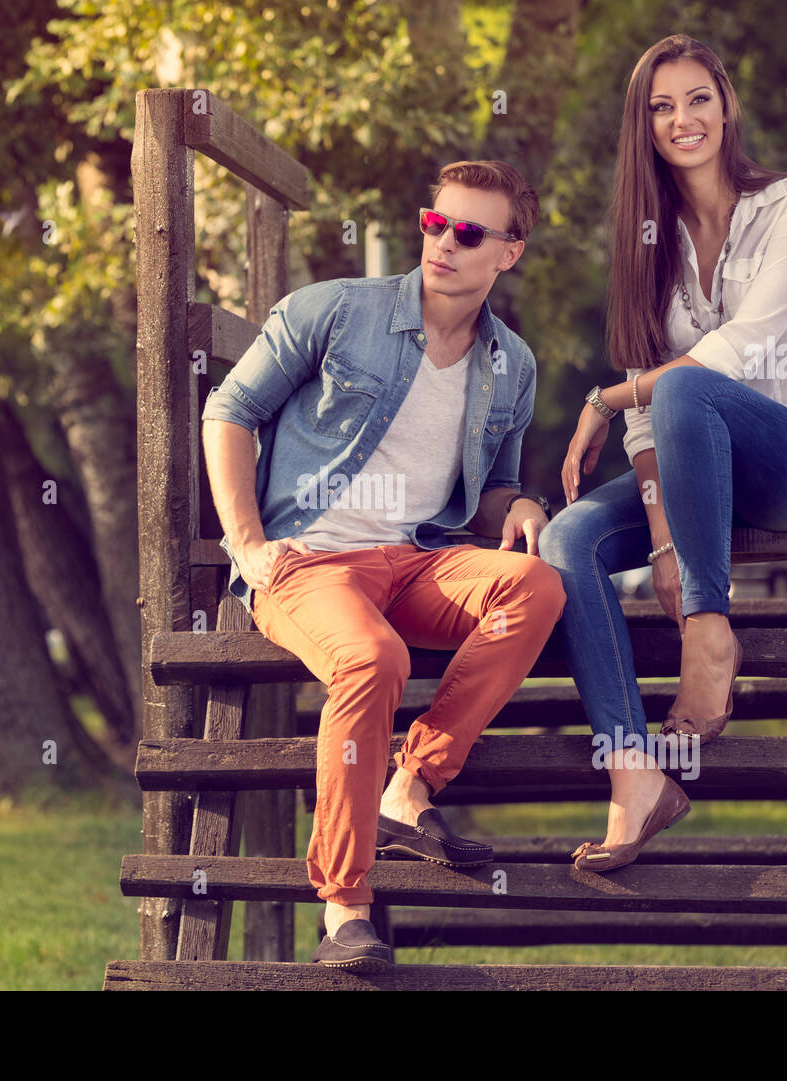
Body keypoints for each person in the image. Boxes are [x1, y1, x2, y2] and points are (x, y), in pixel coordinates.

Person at [201, 160, 566, 970]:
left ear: (509, 252)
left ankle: (412, 788)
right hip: (310, 562)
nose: (443, 243)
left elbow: (491, 490)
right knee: (372, 658)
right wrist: (247, 542)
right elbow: (228, 409)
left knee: (536, 584)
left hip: (421, 558)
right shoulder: (333, 310)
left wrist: (521, 505)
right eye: (437, 223)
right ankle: (343, 904)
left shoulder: (513, 365)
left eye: (469, 233)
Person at [538, 34, 787, 873]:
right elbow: (658, 419)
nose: (683, 119)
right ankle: (633, 772)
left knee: (677, 385)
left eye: (697, 98)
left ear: (727, 105)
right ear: (644, 127)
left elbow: (738, 352)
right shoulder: (648, 238)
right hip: (697, 473)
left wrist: (605, 399)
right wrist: (667, 536)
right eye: (662, 106)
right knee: (566, 538)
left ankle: (709, 638)